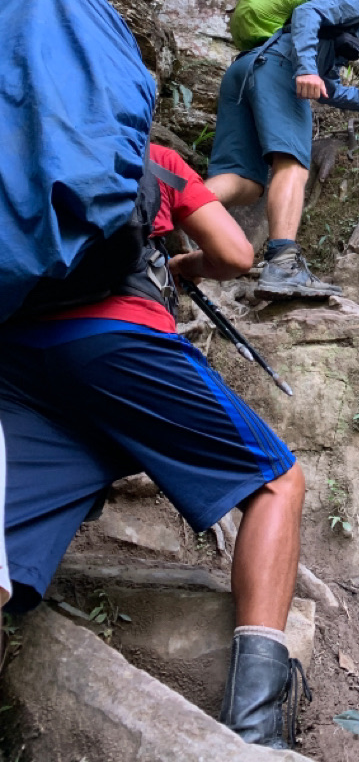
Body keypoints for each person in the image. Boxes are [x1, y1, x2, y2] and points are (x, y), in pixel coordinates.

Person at [0, 144, 308, 749]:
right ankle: (256, 733)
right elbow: (236, 253)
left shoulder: (18, 150)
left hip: (15, 359)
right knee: (277, 482)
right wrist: (187, 265)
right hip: (115, 339)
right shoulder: (148, 156)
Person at [206, 0, 359, 300]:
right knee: (293, 167)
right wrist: (307, 68)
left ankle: (163, 218)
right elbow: (307, 13)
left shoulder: (345, 42)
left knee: (244, 182)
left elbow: (328, 90)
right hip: (278, 69)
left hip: (248, 70)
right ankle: (283, 265)